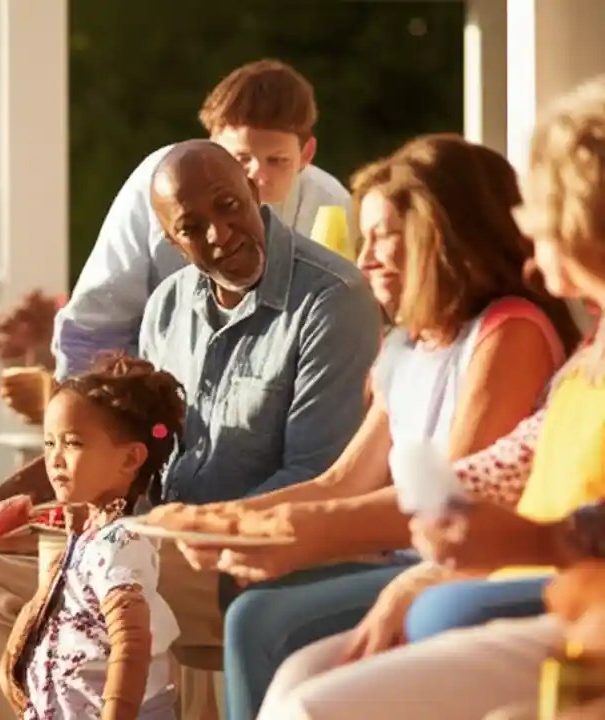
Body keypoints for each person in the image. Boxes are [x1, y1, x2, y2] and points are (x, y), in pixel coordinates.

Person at [0, 139, 380, 720]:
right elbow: (136, 447)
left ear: (254, 192)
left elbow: (317, 474)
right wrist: (5, 503)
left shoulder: (333, 300)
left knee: (98, 572)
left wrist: (161, 533)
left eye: (229, 206)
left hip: (259, 554)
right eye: (193, 227)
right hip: (154, 542)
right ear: (171, 241)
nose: (220, 233)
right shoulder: (168, 305)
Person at [145, 134, 579, 720]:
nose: (366, 256)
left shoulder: (509, 331)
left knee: (259, 619)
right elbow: (343, 480)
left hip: (439, 563)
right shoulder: (408, 343)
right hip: (397, 557)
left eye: (385, 238)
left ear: (439, 237)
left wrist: (288, 531)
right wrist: (227, 520)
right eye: (364, 236)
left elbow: (451, 502)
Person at [253, 75, 605, 720]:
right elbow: (495, 471)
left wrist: (307, 532)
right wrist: (275, 525)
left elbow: (497, 493)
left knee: (311, 694)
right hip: (555, 591)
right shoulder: (591, 351)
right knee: (296, 681)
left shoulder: (513, 329)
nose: (528, 238)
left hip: (574, 602)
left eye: (540, 213)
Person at [45, 58, 355, 388]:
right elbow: (99, 323)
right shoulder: (158, 186)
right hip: (157, 399)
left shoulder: (330, 203)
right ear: (213, 144)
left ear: (305, 155)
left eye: (277, 161)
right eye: (240, 159)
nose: (257, 178)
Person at [0, 356, 185, 719]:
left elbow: (131, 643)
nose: (55, 460)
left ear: (131, 458)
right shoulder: (86, 537)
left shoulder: (121, 543)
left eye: (72, 444)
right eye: (49, 443)